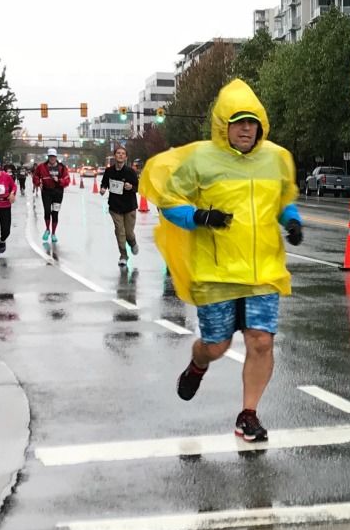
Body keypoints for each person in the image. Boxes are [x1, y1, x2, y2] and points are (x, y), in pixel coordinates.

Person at [140, 79, 303, 443]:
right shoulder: (201, 160)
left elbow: (283, 199)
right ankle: (197, 365)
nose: (246, 128)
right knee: (217, 346)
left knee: (261, 341)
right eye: (238, 121)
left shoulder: (277, 159)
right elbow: (169, 201)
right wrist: (199, 217)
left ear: (261, 125)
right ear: (223, 125)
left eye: (252, 122)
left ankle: (248, 415)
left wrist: (291, 220)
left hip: (263, 271)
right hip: (215, 271)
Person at [99, 146, 140, 267]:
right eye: (118, 153)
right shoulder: (109, 171)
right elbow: (105, 182)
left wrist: (131, 187)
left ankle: (132, 243)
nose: (120, 155)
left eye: (123, 154)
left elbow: (138, 188)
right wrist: (103, 188)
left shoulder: (131, 172)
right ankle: (123, 255)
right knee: (119, 231)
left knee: (128, 233)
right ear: (114, 156)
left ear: (126, 157)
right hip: (115, 206)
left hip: (129, 206)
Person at [33, 149, 71, 243]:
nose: (52, 158)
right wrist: (38, 183)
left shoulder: (62, 167)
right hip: (46, 192)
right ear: (48, 157)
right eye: (50, 156)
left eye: (53, 156)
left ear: (56, 157)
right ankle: (47, 229)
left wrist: (59, 180)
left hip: (58, 192)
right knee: (47, 211)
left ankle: (53, 233)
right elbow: (35, 176)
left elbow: (67, 180)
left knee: (55, 213)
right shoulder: (41, 166)